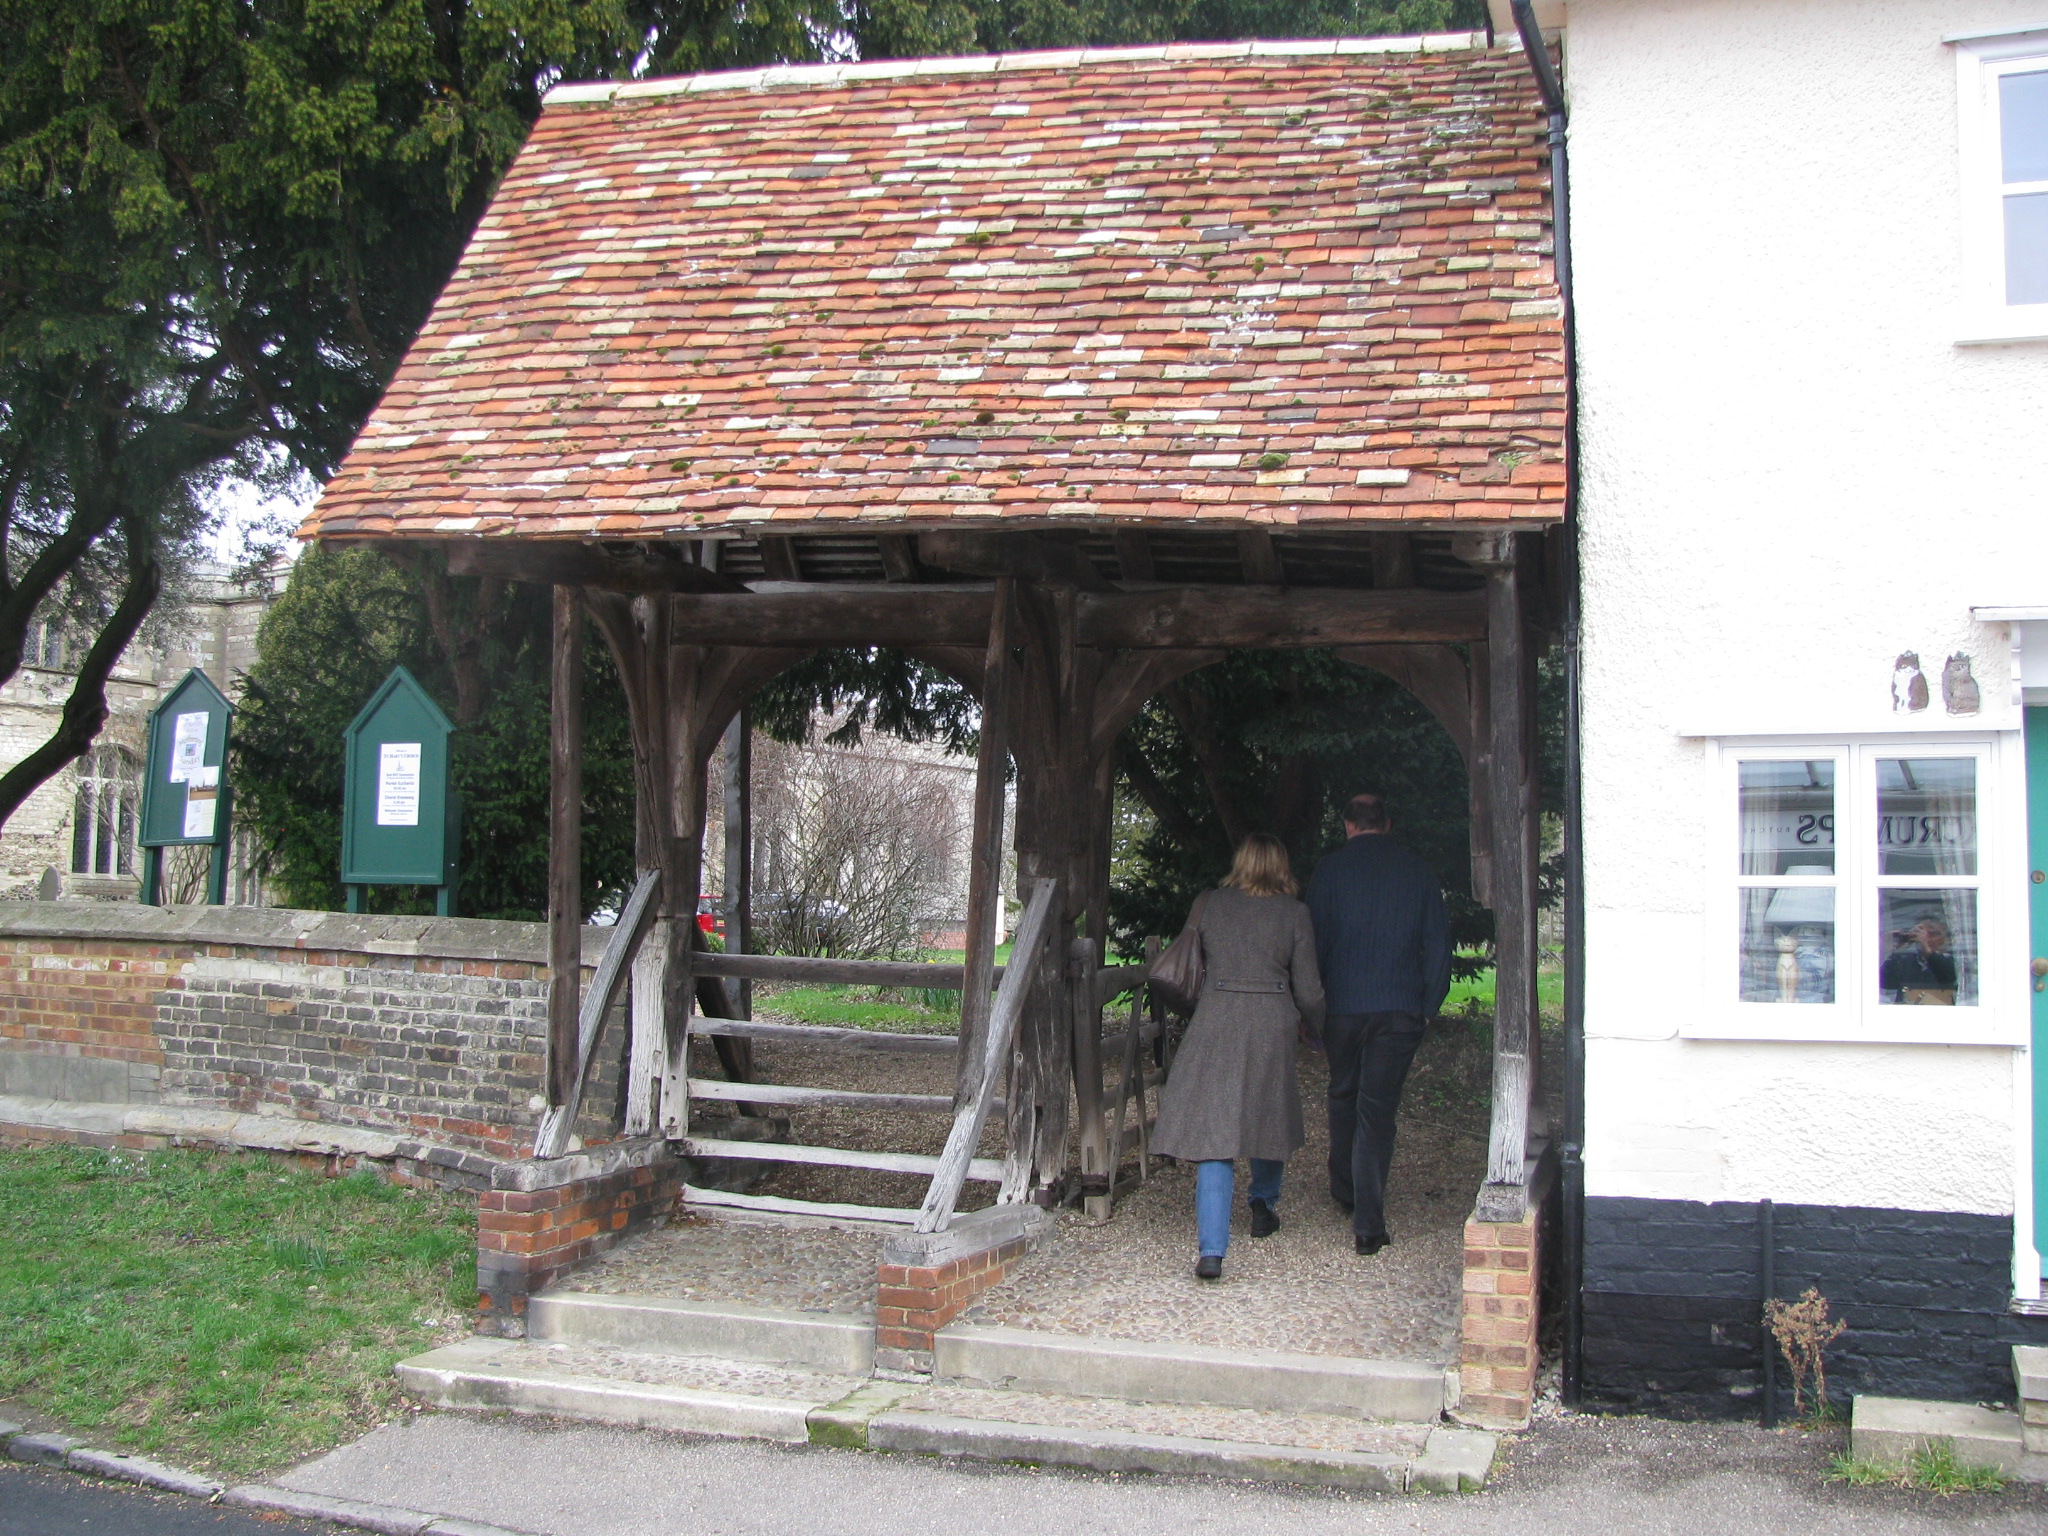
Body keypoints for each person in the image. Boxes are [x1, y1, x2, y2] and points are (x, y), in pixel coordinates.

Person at [1151, 832, 1326, 1281]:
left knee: (1216, 1129)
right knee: (1269, 1111)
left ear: (1241, 863)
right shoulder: (1295, 913)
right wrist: (1316, 1027)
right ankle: (1263, 1204)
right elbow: (1308, 989)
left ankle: (1211, 1250)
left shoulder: (1209, 903)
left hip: (1217, 1016)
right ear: (1281, 866)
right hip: (1272, 1019)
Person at [1306, 791, 1451, 1256]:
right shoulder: (1418, 872)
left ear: (1348, 825)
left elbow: (1316, 947)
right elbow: (1438, 947)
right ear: (1387, 824)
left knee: (1343, 1093)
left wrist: (1314, 1008)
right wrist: (1428, 1005)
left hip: (1343, 1008)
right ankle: (1369, 1222)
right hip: (1399, 1007)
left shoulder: (1328, 872)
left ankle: (1346, 1189)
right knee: (1378, 1110)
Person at [1880, 918, 1958, 1005]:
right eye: (1921, 934)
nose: (1925, 939)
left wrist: (1928, 953)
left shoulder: (1955, 961)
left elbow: (1949, 976)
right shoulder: (1906, 961)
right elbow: (1885, 982)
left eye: (1932, 934)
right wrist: (1898, 949)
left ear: (1945, 938)